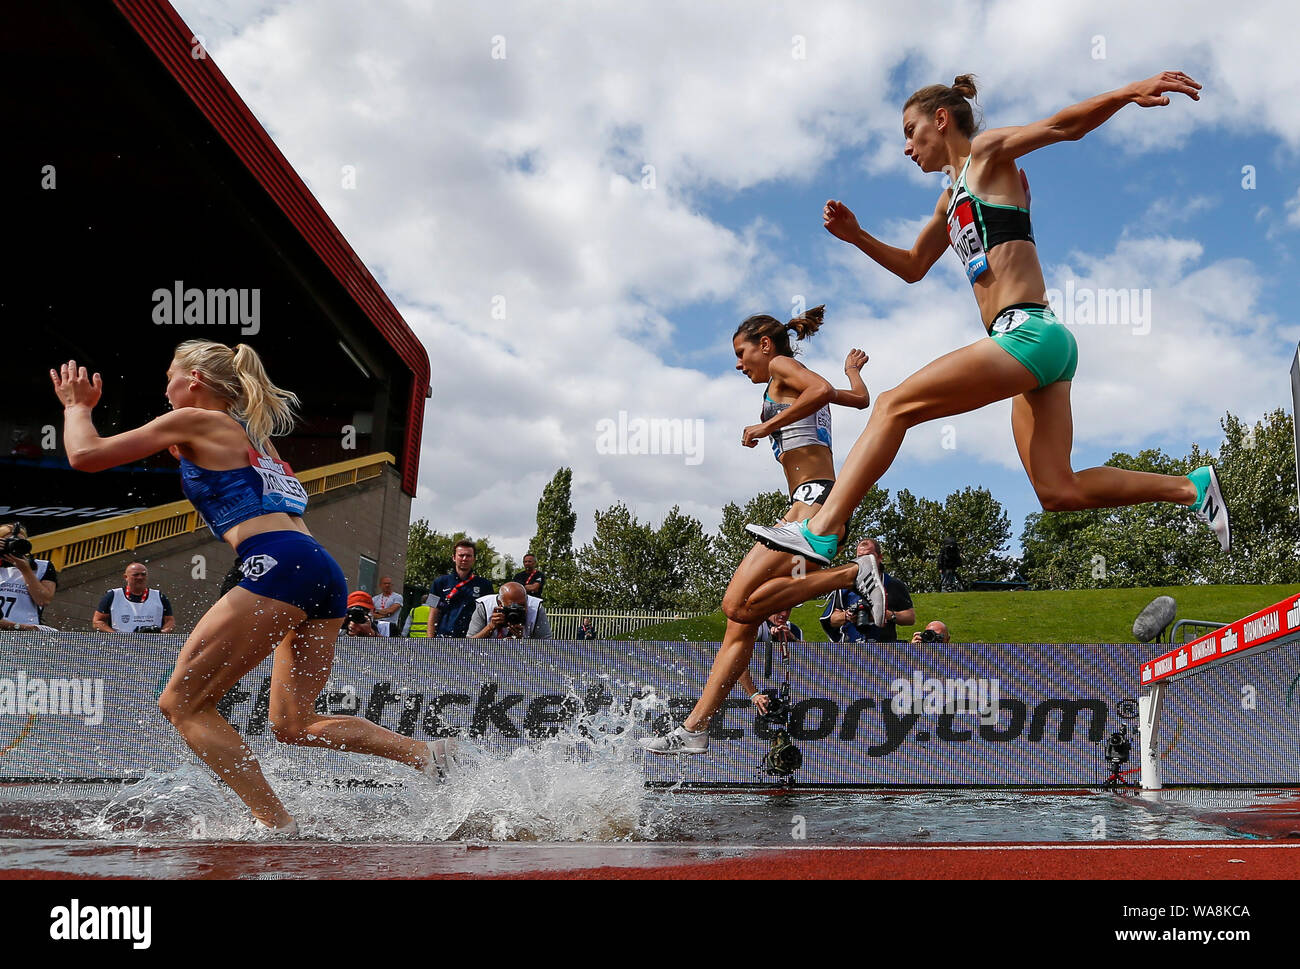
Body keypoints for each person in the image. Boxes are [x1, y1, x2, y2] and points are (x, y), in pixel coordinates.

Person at [745, 71, 1230, 623]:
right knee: (1058, 489)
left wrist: (1123, 93)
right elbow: (911, 267)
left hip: (1027, 332)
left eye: (911, 131)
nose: (907, 147)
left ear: (941, 120)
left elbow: (1061, 127)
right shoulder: (948, 200)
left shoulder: (987, 155)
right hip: (1039, 347)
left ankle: (824, 530)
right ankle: (1190, 488)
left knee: (892, 405)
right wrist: (857, 237)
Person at [49, 343, 457, 834]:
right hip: (320, 568)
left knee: (181, 703)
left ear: (195, 378)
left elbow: (85, 455)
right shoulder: (256, 437)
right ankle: (427, 755)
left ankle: (275, 823)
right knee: (293, 724)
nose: (165, 389)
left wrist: (77, 407)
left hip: (278, 563)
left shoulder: (196, 420)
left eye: (169, 377)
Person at [642, 305, 873, 755]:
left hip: (812, 506)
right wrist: (853, 372)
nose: (737, 363)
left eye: (741, 352)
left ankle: (853, 575)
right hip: (808, 503)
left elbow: (822, 389)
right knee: (739, 623)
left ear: (764, 345)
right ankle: (695, 729)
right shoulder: (791, 378)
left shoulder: (784, 367)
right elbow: (856, 399)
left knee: (734, 603)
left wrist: (767, 423)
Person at [820, 538, 915, 642]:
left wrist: (887, 615)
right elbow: (831, 619)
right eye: (860, 557)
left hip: (883, 649)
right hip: (850, 650)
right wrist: (847, 616)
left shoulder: (893, 584)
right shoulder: (845, 585)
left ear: (880, 558)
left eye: (869, 557)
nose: (864, 561)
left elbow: (910, 617)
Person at [427, 540, 494, 638]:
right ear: (454, 558)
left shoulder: (485, 585)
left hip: (473, 640)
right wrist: (430, 641)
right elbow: (432, 613)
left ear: (474, 559)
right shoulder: (438, 582)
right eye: (461, 555)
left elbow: (488, 615)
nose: (464, 558)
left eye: (468, 556)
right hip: (443, 639)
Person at [0, 522, 58, 632]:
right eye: (8, 542)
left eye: (19, 542)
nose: (13, 546)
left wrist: (25, 570)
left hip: (25, 631)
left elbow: (43, 600)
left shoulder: (42, 566)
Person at [93, 562, 176, 633]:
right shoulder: (112, 595)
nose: (140, 577)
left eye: (143, 574)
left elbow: (170, 621)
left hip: (152, 645)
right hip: (120, 645)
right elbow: (97, 621)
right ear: (126, 577)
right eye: (135, 575)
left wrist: (162, 632)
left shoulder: (159, 596)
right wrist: (115, 636)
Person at [466, 581, 552, 639]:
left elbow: (547, 648)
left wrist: (523, 641)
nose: (516, 611)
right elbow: (468, 646)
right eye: (511, 607)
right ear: (500, 604)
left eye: (522, 606)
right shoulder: (485, 606)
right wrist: (490, 627)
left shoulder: (536, 608)